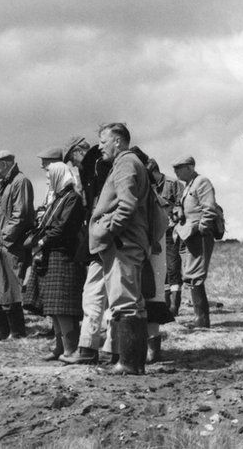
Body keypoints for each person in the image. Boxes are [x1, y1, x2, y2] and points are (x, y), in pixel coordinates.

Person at [88, 123, 151, 375]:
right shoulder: (131, 162)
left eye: (103, 141)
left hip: (122, 243)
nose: (100, 147)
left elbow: (127, 205)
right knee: (132, 301)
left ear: (117, 141)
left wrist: (108, 229)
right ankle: (133, 362)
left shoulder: (125, 163)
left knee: (126, 302)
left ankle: (129, 363)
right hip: (127, 241)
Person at [23, 163, 86, 361]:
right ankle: (59, 347)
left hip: (64, 255)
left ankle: (69, 349)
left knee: (63, 307)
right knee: (54, 308)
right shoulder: (59, 198)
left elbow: (62, 228)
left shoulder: (72, 198)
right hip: (52, 254)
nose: (48, 180)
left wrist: (41, 241)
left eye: (50, 177)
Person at [58, 136, 111, 365]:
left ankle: (88, 348)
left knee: (92, 296)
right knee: (109, 299)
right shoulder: (100, 167)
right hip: (106, 238)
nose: (73, 165)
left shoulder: (96, 166)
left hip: (102, 239)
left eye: (73, 159)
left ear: (79, 152)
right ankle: (109, 349)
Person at [0, 151, 34, 340]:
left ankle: (16, 331)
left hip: (7, 243)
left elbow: (22, 213)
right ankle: (2, 330)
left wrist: (4, 238)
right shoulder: (2, 183)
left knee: (10, 287)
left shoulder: (20, 181)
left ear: (4, 164)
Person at [172, 156, 219, 329]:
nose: (175, 171)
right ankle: (200, 318)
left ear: (190, 167)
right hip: (189, 235)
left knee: (196, 275)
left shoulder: (201, 182)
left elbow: (209, 208)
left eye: (179, 167)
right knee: (191, 275)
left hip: (199, 235)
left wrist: (202, 229)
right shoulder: (189, 185)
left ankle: (202, 321)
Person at [146, 159, 185, 316]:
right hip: (156, 233)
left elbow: (182, 205)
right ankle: (165, 305)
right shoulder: (148, 185)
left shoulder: (173, 184)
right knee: (161, 271)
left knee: (173, 268)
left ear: (155, 171)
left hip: (171, 232)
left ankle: (174, 307)